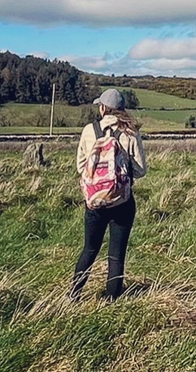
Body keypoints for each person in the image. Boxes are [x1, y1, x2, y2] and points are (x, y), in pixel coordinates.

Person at [70, 88, 148, 300]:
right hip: (122, 202)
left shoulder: (89, 130)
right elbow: (141, 170)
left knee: (89, 249)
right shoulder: (131, 132)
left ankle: (74, 295)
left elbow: (80, 167)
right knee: (116, 255)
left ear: (103, 108)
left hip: (95, 202)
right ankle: (112, 300)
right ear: (122, 109)